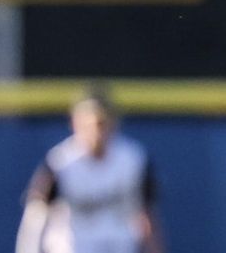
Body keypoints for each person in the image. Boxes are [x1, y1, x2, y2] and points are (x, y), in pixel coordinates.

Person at [16, 86, 164, 253]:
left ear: (114, 122)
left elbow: (147, 215)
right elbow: (35, 216)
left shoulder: (133, 159)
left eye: (102, 123)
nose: (96, 131)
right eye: (90, 123)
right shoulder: (61, 162)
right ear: (76, 122)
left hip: (118, 245)